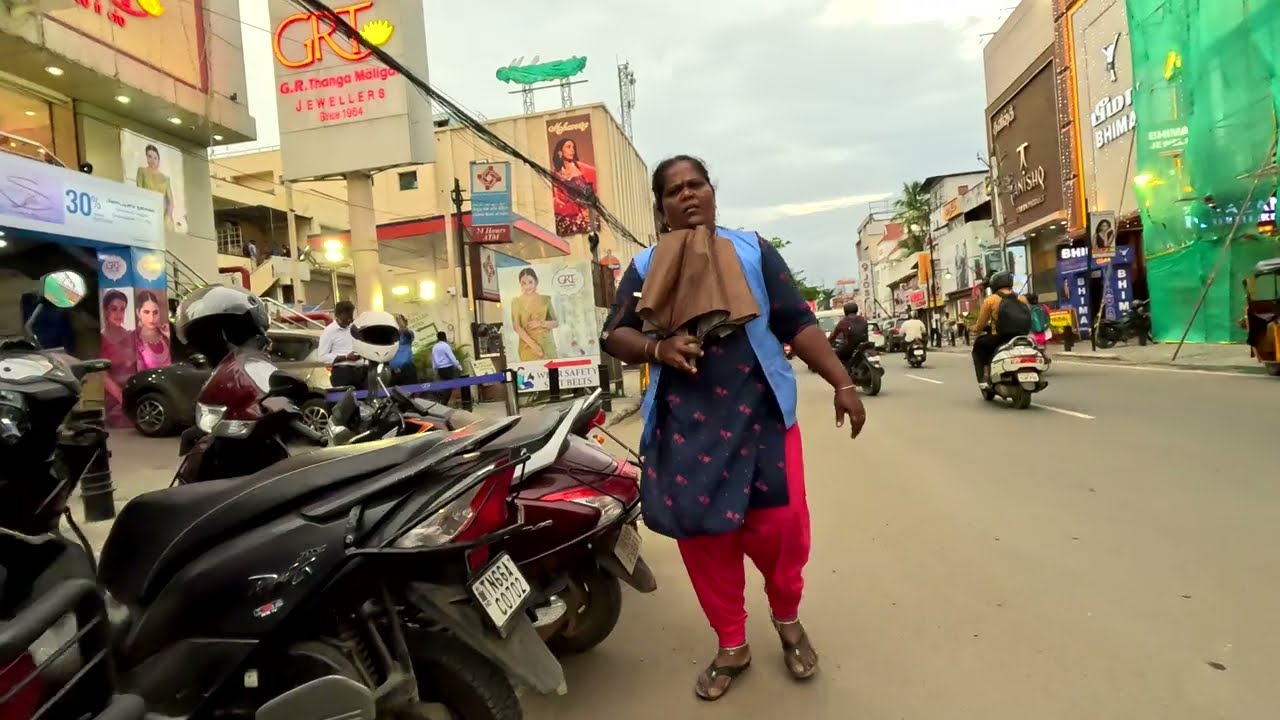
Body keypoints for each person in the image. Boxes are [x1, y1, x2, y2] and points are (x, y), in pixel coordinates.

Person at [600, 155, 866, 702]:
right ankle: (732, 644)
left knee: (783, 531)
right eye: (674, 191)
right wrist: (658, 347)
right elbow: (615, 334)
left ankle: (787, 619)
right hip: (685, 426)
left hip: (763, 418)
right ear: (661, 208)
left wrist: (842, 383)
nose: (688, 195)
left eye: (697, 184)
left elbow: (797, 321)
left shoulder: (752, 250)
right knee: (706, 540)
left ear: (713, 193)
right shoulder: (646, 265)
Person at [970, 272, 1032, 384]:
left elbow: (981, 323)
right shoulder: (1022, 298)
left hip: (1000, 337)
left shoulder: (991, 300)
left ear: (994, 284)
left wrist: (975, 329)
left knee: (979, 345)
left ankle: (985, 377)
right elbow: (1029, 317)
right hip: (1022, 336)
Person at [551, 137, 598, 235]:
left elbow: (595, 193)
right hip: (569, 217)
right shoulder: (556, 176)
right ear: (560, 152)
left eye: (573, 147)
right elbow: (556, 202)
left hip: (588, 216)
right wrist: (573, 209)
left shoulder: (584, 170)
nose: (572, 150)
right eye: (568, 147)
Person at [511, 268, 559, 361]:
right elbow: (516, 327)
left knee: (552, 374)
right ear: (520, 285)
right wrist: (535, 347)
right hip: (527, 346)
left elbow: (556, 323)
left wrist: (541, 323)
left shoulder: (545, 300)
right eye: (523, 283)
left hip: (547, 346)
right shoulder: (516, 302)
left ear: (536, 282)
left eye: (530, 282)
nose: (527, 286)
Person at [319, 300, 363, 388]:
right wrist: (346, 357)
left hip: (361, 372)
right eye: (346, 318)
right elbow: (322, 357)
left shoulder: (355, 329)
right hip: (342, 373)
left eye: (351, 317)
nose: (349, 320)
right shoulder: (329, 331)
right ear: (338, 315)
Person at [135, 143, 175, 230]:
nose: (152, 160)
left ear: (158, 160)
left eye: (155, 158)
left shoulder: (166, 178)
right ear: (146, 157)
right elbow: (139, 194)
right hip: (147, 214)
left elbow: (170, 202)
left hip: (163, 218)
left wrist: (167, 216)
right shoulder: (141, 171)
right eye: (149, 156)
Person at [134, 290, 171, 370]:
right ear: (138, 313)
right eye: (146, 312)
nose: (152, 318)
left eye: (155, 312)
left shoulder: (166, 334)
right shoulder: (135, 339)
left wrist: (169, 336)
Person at [430, 331, 463, 404]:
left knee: (443, 385)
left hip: (440, 369)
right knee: (449, 386)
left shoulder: (435, 347)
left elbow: (433, 359)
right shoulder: (445, 346)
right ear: (445, 337)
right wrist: (459, 367)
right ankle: (444, 403)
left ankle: (441, 398)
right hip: (447, 368)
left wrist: (434, 369)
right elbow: (452, 357)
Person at [389, 313, 418, 386]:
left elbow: (404, 330)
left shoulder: (408, 334)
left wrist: (399, 320)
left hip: (407, 369)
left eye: (398, 322)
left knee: (410, 391)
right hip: (393, 371)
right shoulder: (391, 336)